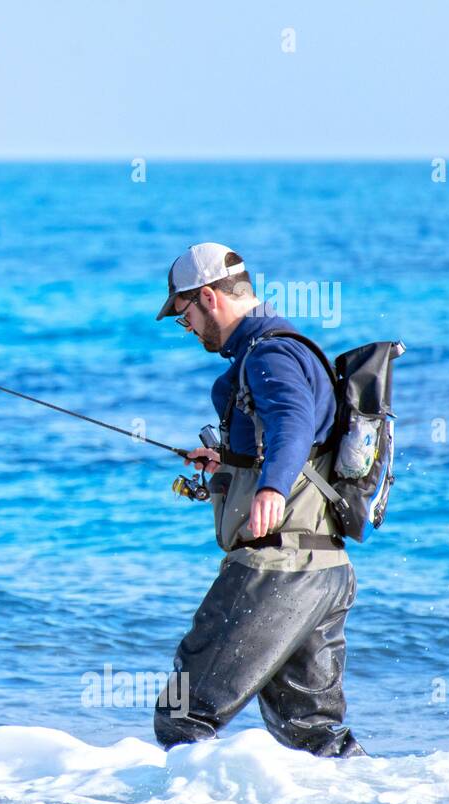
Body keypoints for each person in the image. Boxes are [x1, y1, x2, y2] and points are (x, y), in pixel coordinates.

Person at [152, 243, 367, 758]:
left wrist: (270, 487)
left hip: (278, 569)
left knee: (184, 713)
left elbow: (291, 423)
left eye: (185, 317)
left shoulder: (270, 354)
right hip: (322, 568)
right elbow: (293, 438)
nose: (188, 330)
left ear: (208, 297)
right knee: (314, 738)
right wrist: (230, 464)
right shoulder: (278, 350)